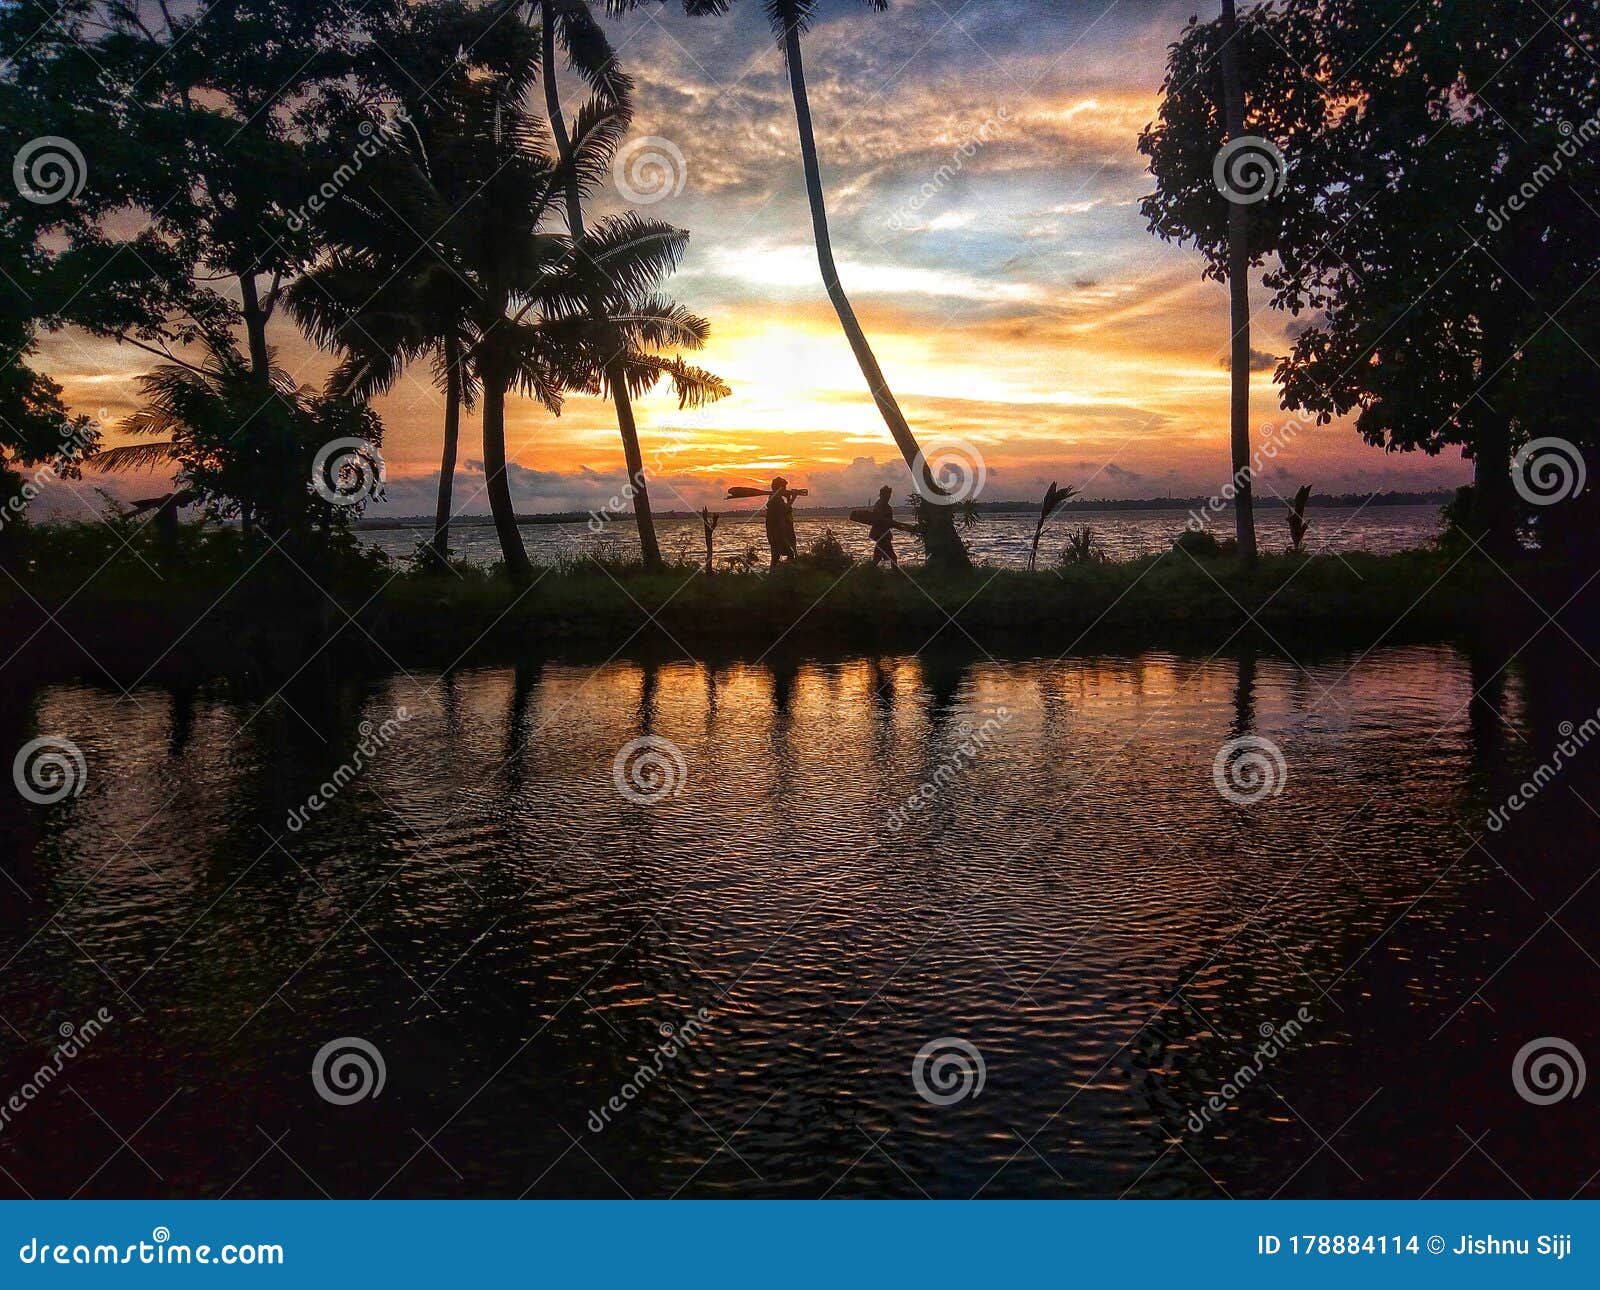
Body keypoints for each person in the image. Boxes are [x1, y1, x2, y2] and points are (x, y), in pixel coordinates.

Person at [765, 476, 799, 567]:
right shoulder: (775, 499)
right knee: (789, 555)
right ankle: (782, 575)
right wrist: (793, 497)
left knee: (775, 557)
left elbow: (786, 510)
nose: (785, 489)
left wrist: (789, 498)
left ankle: (773, 575)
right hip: (777, 534)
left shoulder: (776, 498)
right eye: (784, 487)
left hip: (776, 533)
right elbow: (785, 510)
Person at [868, 484, 899, 569]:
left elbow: (889, 522)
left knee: (877, 558)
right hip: (880, 535)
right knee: (892, 557)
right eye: (887, 495)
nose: (888, 497)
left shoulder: (888, 507)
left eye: (889, 495)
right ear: (882, 495)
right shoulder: (879, 506)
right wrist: (891, 523)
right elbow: (879, 520)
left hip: (884, 535)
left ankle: (868, 572)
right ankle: (897, 575)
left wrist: (894, 524)